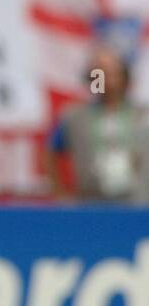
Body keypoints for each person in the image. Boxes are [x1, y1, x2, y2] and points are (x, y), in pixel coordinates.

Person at [47, 46, 149, 203]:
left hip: (137, 204)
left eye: (113, 73)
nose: (107, 80)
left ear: (125, 77)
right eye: (99, 74)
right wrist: (59, 194)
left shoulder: (143, 116)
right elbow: (51, 152)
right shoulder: (74, 117)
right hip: (91, 203)